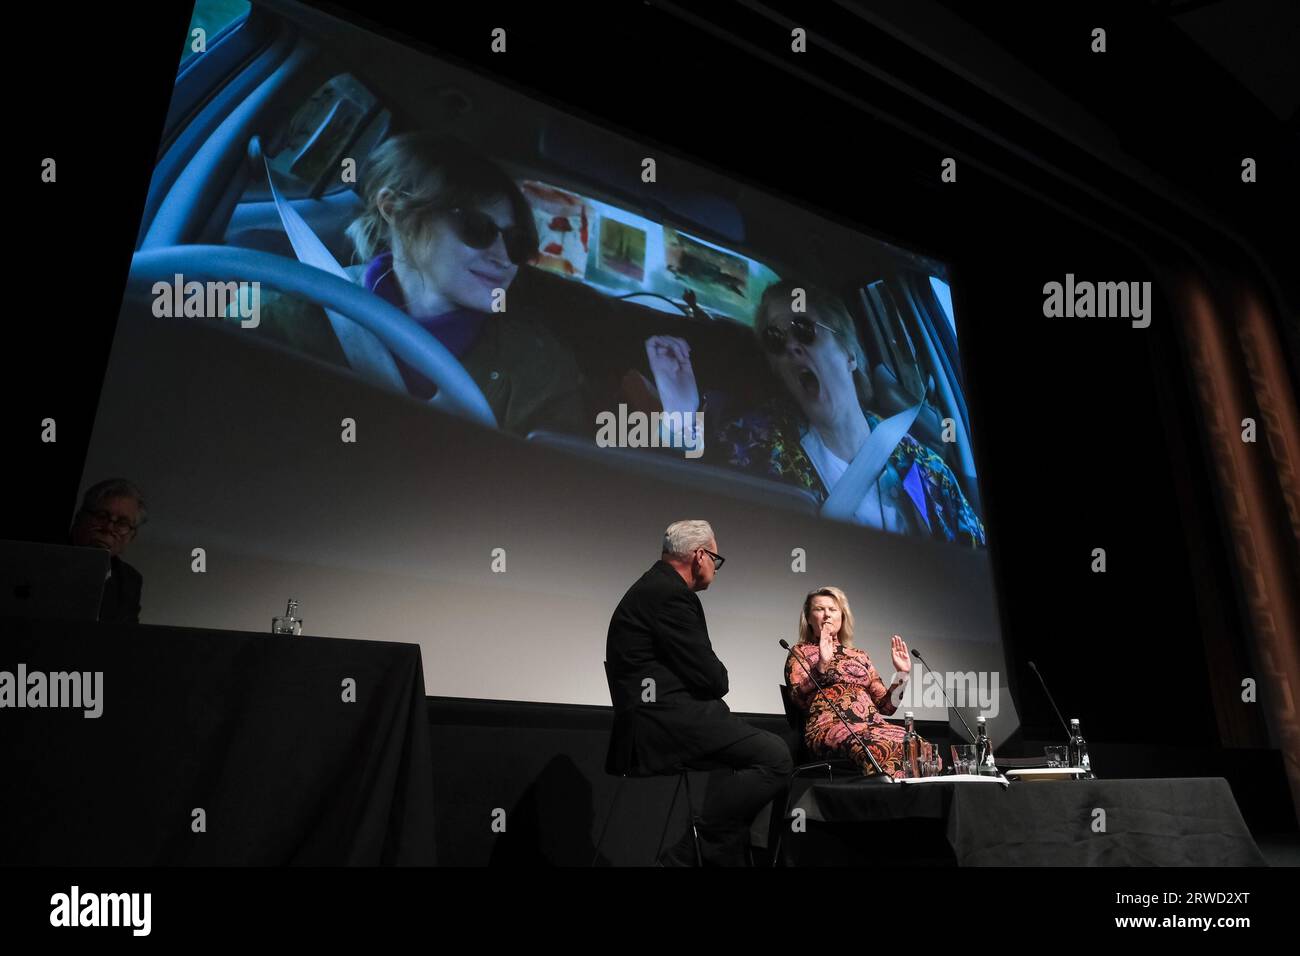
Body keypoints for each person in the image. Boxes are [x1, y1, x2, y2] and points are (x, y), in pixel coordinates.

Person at [232, 133, 586, 436]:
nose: (504, 258)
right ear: (394, 208)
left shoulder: (540, 370)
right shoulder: (292, 308)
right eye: (478, 230)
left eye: (517, 243)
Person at [646, 278, 985, 545]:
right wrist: (680, 411)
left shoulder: (927, 470)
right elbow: (691, 519)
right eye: (776, 340)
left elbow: (974, 569)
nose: (792, 346)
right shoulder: (755, 444)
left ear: (850, 354)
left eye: (805, 330)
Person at [604, 520, 792, 866]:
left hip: (660, 716)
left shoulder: (653, 586)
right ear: (700, 556)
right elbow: (713, 678)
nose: (715, 570)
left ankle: (716, 854)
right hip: (662, 722)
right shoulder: (670, 595)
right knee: (775, 756)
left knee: (746, 758)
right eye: (716, 561)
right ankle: (689, 855)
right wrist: (717, 676)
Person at [784, 586, 935, 778]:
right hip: (831, 727)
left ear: (842, 616)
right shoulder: (800, 652)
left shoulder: (860, 656)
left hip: (873, 726)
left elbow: (886, 707)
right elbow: (798, 698)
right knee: (876, 748)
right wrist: (822, 664)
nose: (827, 615)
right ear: (808, 617)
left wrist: (902, 675)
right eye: (819, 609)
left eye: (833, 609)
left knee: (923, 749)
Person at [67, 478, 147, 624]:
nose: (109, 528)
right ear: (79, 518)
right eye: (101, 516)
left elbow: (128, 637)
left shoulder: (129, 580)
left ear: (131, 537)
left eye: (122, 523)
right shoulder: (42, 557)